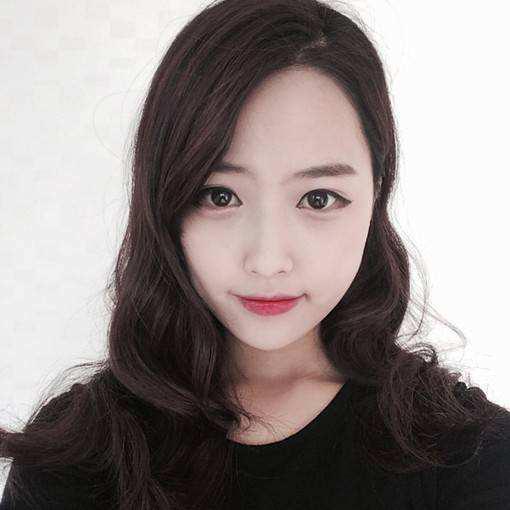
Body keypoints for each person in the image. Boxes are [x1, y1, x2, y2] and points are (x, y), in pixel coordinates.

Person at [1, 0, 509, 508]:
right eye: (220, 196)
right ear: (164, 199)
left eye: (318, 199)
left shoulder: (470, 458)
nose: (267, 261)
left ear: (376, 194)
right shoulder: (76, 461)